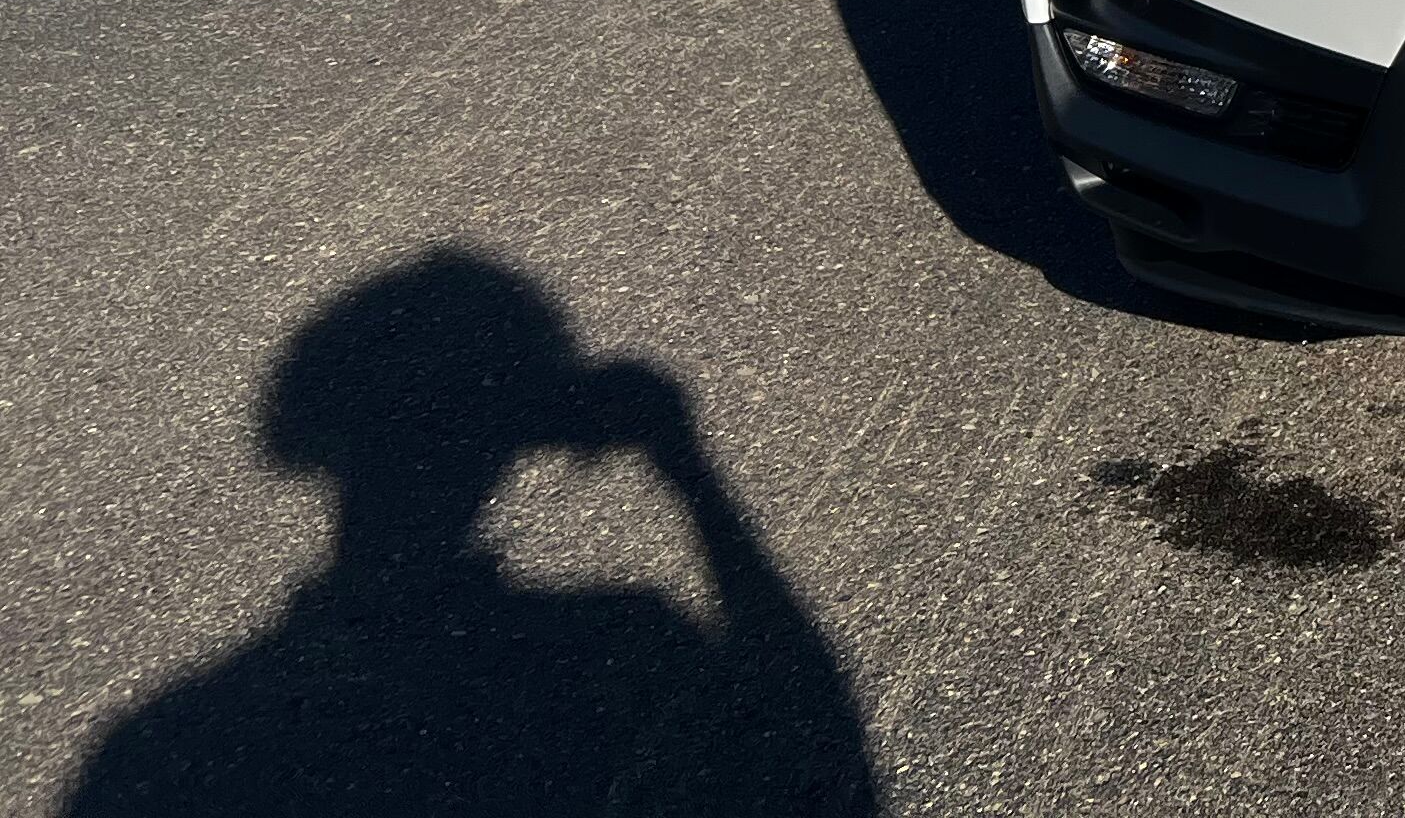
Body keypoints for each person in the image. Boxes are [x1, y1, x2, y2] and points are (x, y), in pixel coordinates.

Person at [70, 252, 876, 815]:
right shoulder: (614, 651)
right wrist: (690, 475)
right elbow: (815, 752)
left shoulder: (160, 746)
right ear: (528, 429)